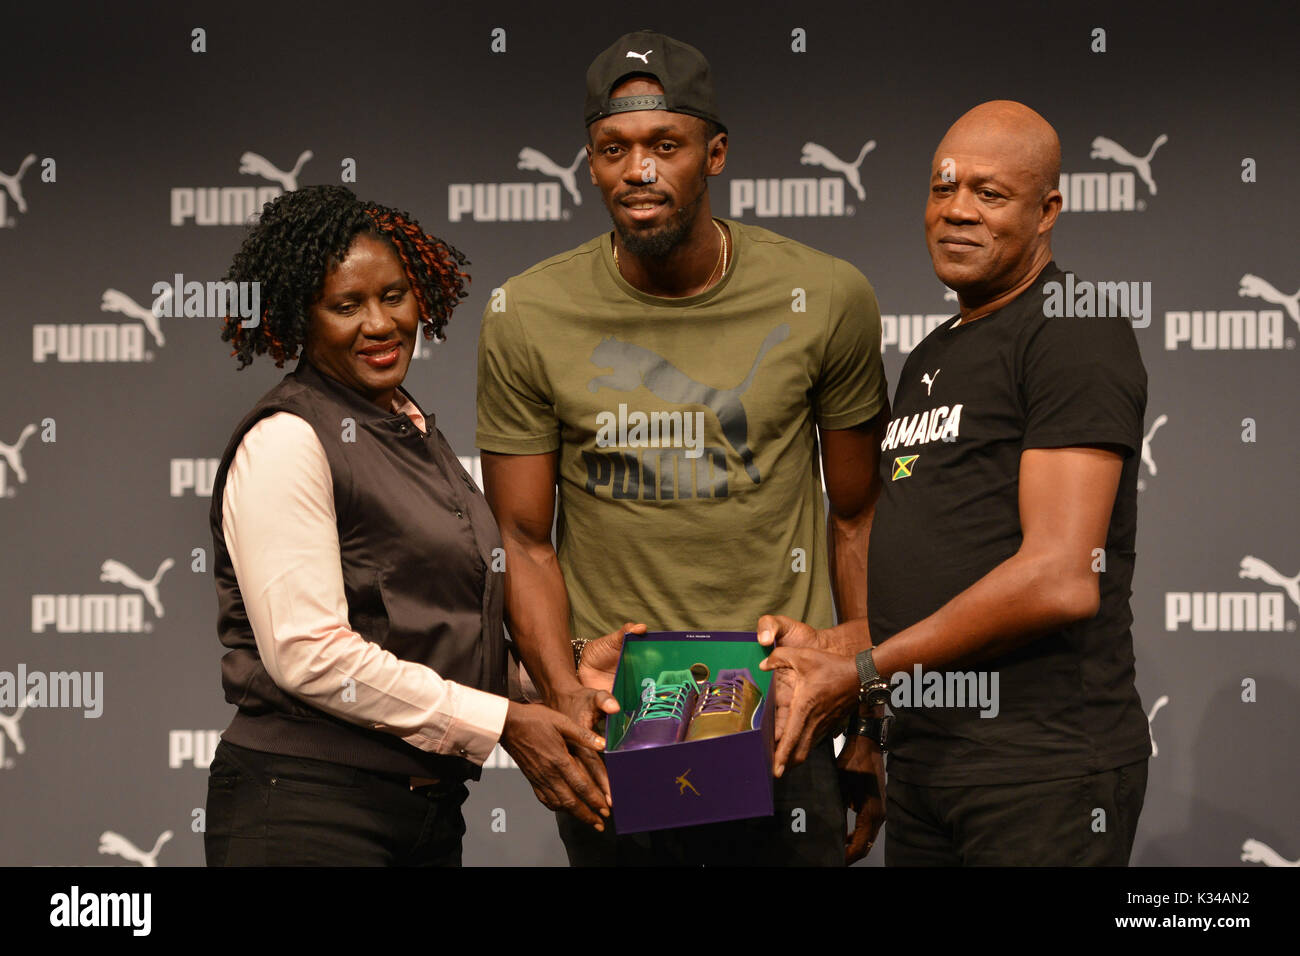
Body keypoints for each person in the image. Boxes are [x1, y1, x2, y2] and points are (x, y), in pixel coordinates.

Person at [476, 31, 889, 866]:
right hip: (623, 714)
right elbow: (522, 541)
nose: (640, 171)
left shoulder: (827, 296)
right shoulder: (527, 314)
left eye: (667, 145)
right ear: (590, 164)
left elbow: (857, 515)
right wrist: (564, 703)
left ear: (715, 153)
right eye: (614, 149)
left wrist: (871, 718)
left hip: (786, 706)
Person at [760, 100, 1151, 865]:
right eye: (943, 189)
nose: (958, 211)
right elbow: (944, 580)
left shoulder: (1071, 328)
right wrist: (848, 657)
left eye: (989, 194)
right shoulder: (935, 351)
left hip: (1038, 771)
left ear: (1048, 211)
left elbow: (1060, 579)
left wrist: (860, 669)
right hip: (930, 764)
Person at [204, 185, 613, 866]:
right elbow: (311, 656)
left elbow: (423, 627)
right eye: (346, 306)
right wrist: (503, 721)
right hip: (307, 813)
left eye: (394, 296)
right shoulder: (288, 438)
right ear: (299, 319)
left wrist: (555, 676)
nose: (379, 323)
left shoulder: (407, 426)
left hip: (423, 815)